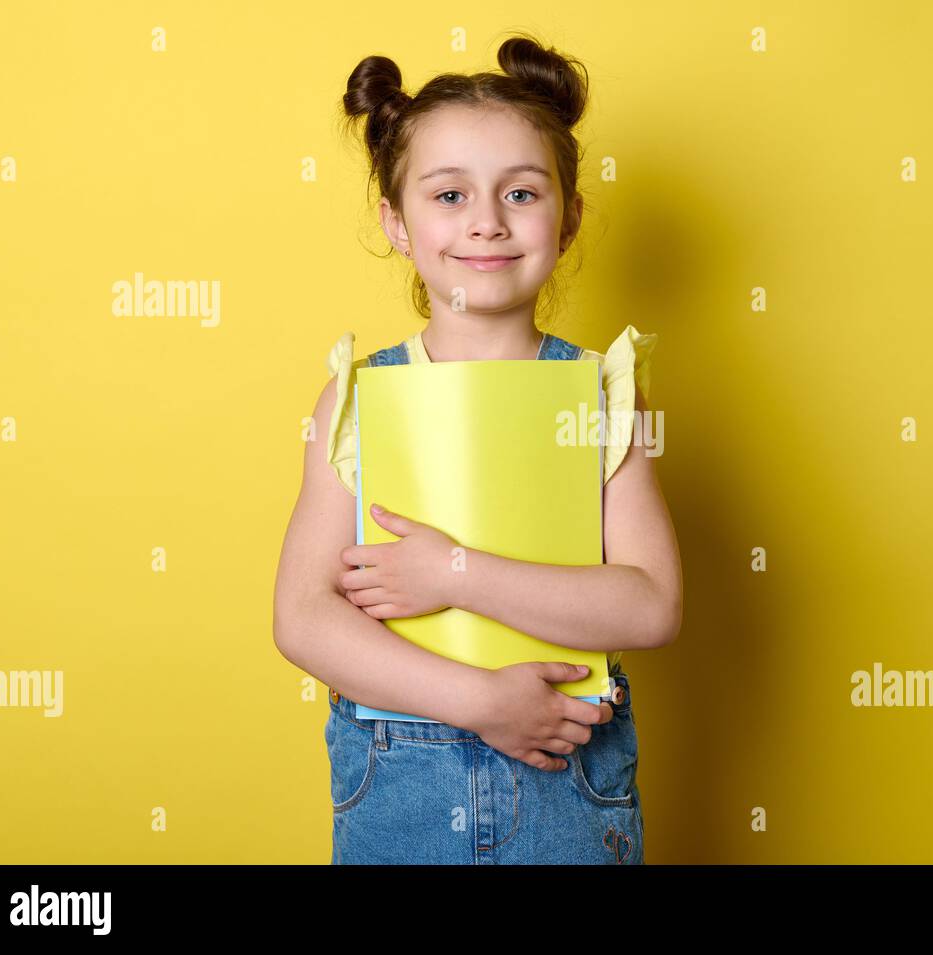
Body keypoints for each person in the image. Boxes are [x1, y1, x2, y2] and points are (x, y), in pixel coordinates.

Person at [272, 33, 683, 864]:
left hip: (568, 781)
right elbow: (302, 616)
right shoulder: (355, 395)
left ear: (567, 219)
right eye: (450, 194)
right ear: (396, 221)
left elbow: (651, 604)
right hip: (400, 786)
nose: (487, 222)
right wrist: (479, 699)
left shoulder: (604, 394)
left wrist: (453, 571)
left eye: (522, 193)